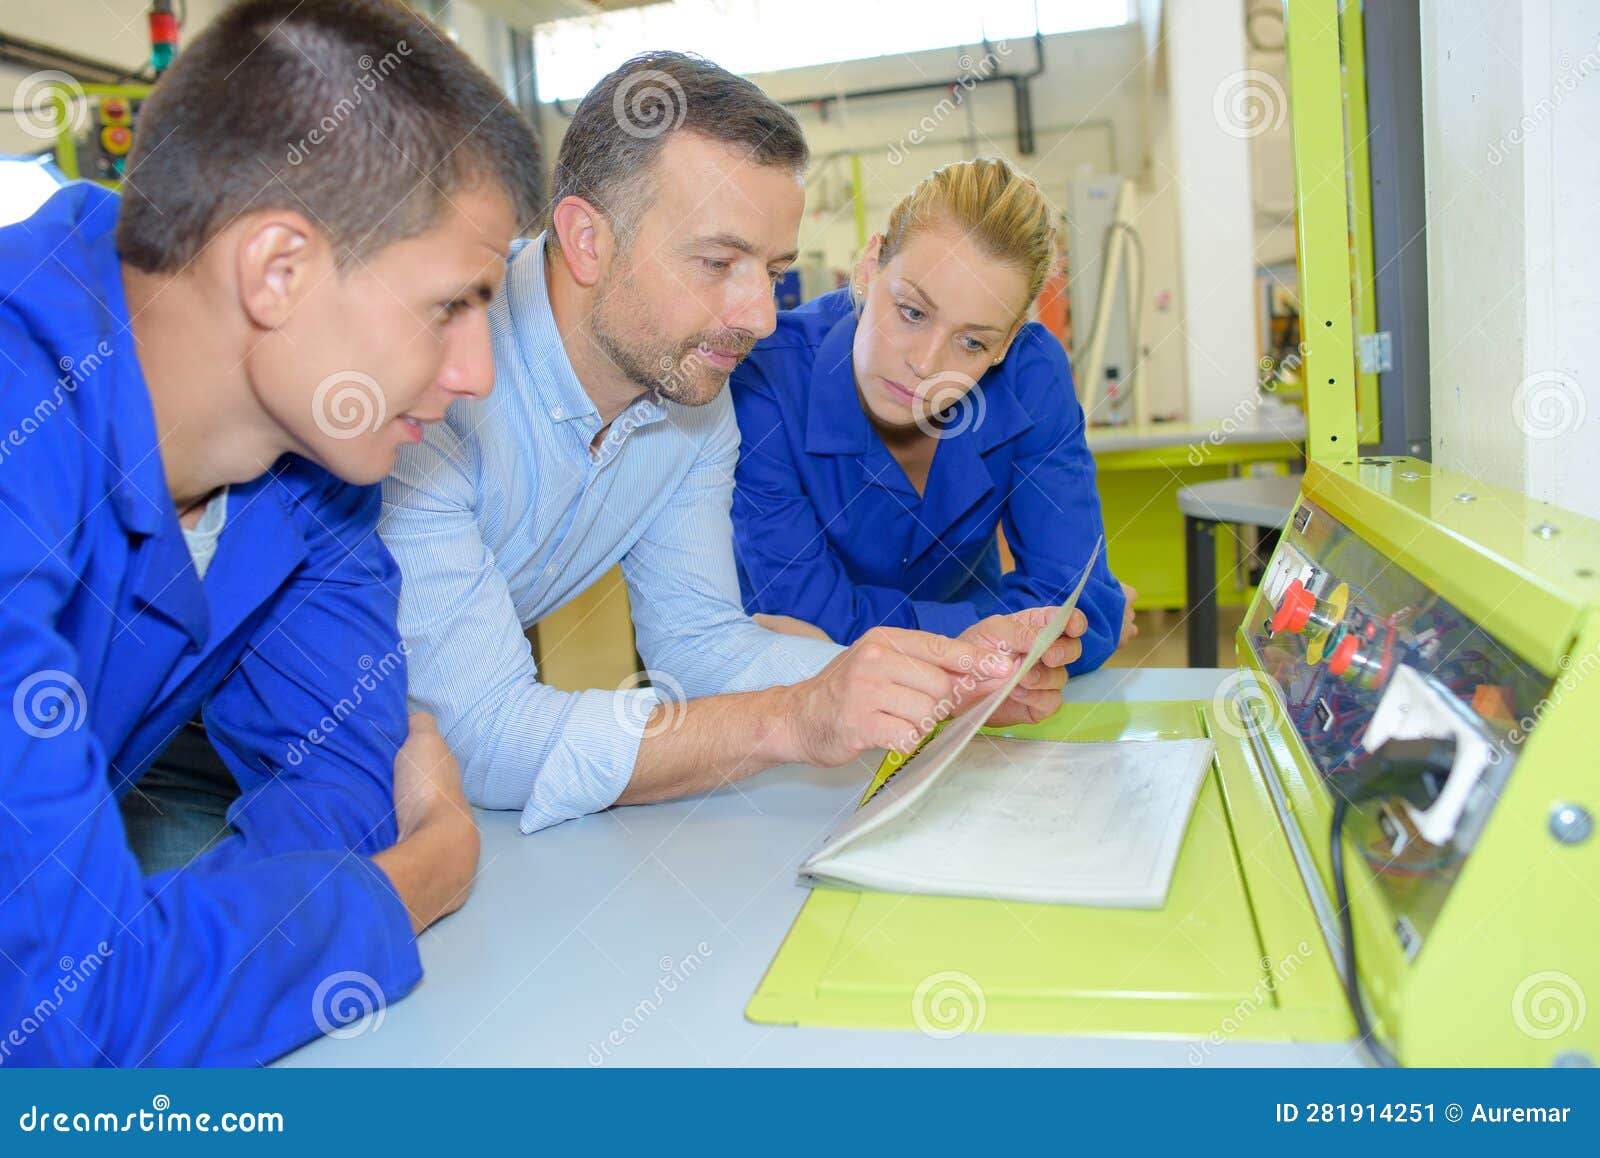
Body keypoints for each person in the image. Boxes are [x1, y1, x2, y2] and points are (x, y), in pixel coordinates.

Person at [0, 0, 541, 1065]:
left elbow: (338, 796)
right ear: (276, 270)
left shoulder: (308, 466)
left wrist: (163, 965)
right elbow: (72, 1017)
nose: (477, 373)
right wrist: (411, 884)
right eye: (452, 304)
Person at [381, 52, 1085, 834]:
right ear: (586, 239)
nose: (761, 318)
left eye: (773, 271)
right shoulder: (432, 375)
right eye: (717, 262)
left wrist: (940, 681)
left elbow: (703, 645)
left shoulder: (691, 396)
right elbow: (487, 734)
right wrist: (789, 720)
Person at [729, 157, 1133, 669]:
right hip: (789, 698)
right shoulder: (765, 375)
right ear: (869, 267)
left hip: (981, 706)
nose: (925, 365)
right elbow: (804, 624)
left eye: (972, 342)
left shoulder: (1030, 372)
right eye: (912, 312)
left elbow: (1082, 608)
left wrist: (1072, 622)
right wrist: (998, 631)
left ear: (1006, 341)